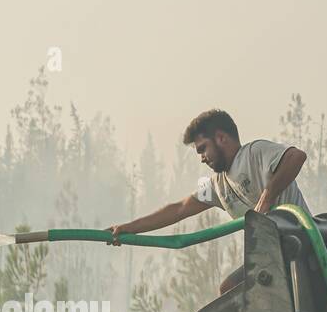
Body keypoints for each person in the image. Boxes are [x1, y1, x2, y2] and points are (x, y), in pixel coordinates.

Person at [107, 109, 309, 293]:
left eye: (203, 149)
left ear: (221, 138)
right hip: (270, 254)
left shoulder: (253, 153)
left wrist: (266, 199)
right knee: (229, 289)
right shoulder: (216, 185)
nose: (202, 158)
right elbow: (180, 209)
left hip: (299, 241)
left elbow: (295, 156)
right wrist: (129, 227)